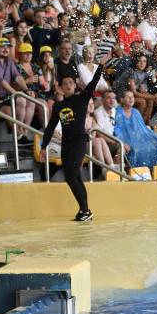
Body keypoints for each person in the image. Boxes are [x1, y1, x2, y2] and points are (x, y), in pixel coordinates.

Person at [39, 53, 111, 221]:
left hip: (79, 143)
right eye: (65, 83)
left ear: (74, 85)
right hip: (66, 144)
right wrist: (43, 146)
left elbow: (93, 84)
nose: (69, 85)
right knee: (74, 177)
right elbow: (50, 128)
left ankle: (85, 210)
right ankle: (85, 210)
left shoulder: (81, 98)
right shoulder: (59, 106)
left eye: (71, 82)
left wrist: (100, 65)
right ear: (61, 88)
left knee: (71, 176)